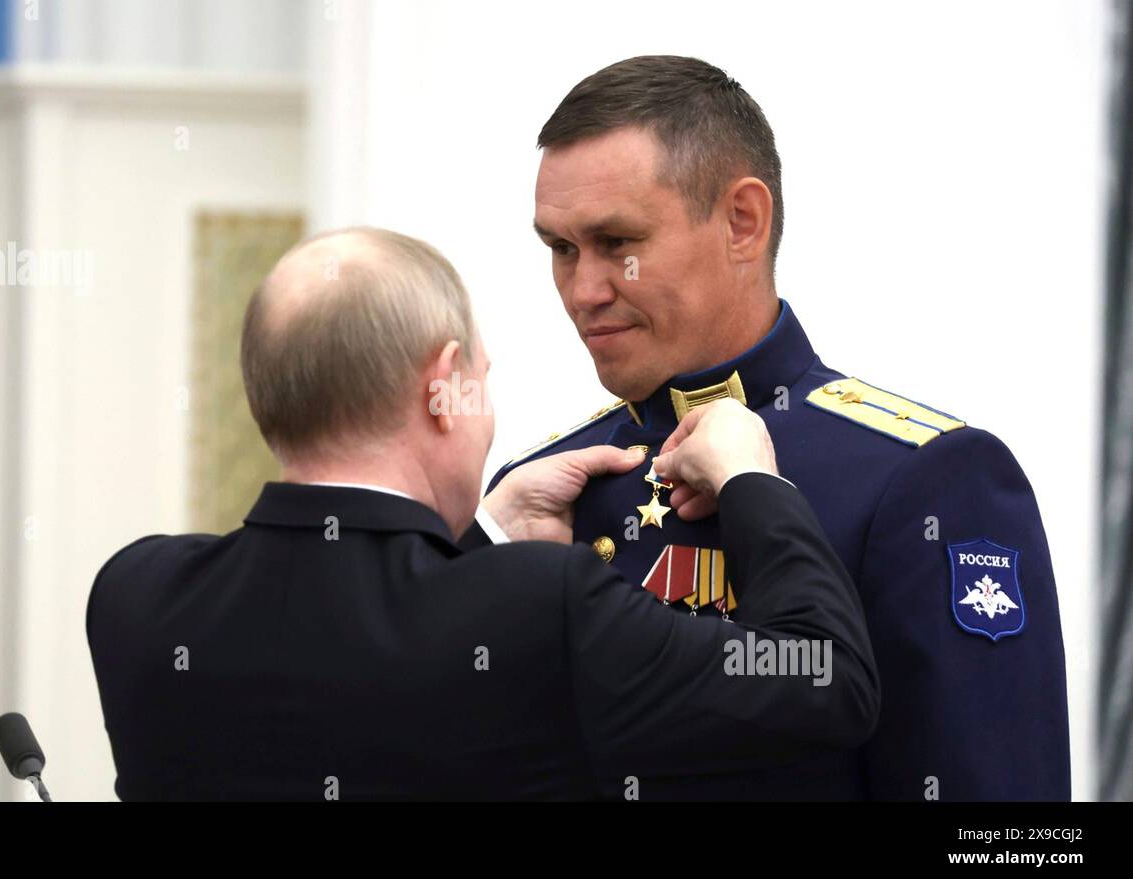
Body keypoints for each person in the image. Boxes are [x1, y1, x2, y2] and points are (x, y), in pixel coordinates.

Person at [86, 226, 879, 801]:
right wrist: (750, 479)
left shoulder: (137, 597)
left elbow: (360, 650)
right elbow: (824, 676)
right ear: (445, 385)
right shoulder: (540, 607)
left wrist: (486, 538)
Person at [480, 54, 1068, 800]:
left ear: (742, 222)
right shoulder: (533, 494)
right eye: (561, 250)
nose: (584, 291)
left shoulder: (923, 480)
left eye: (617, 244)